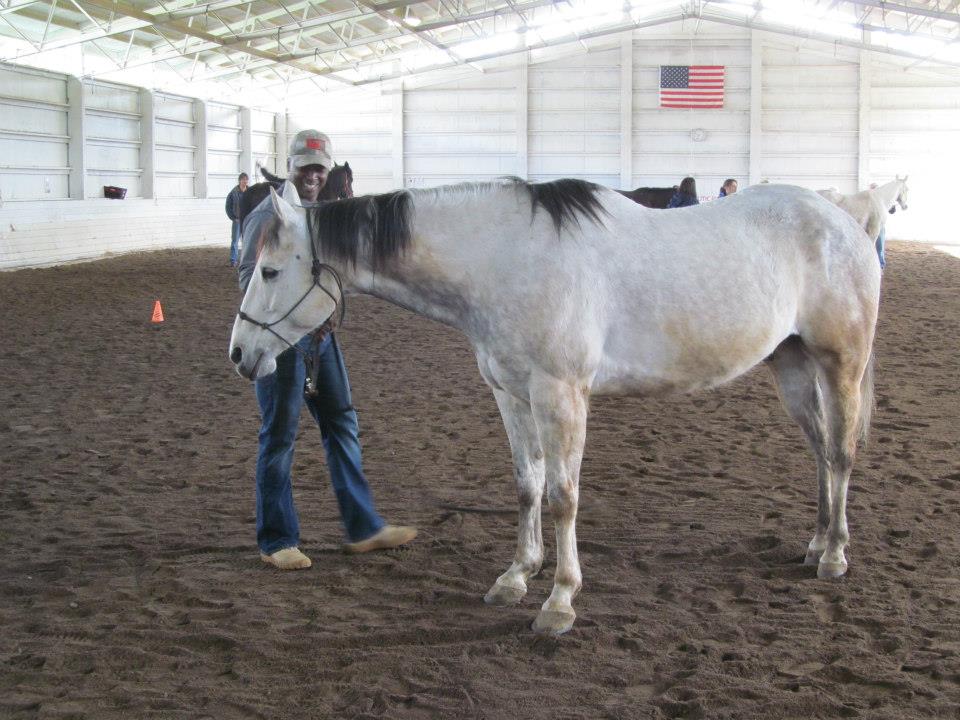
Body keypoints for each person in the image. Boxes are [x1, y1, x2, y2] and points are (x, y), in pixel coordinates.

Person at [237, 130, 417, 570]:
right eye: (305, 167)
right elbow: (249, 277)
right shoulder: (269, 215)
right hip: (282, 339)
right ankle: (277, 540)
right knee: (279, 436)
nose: (313, 176)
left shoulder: (326, 213)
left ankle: (363, 527)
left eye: (320, 168)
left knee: (342, 423)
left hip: (321, 338)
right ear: (291, 167)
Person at [225, 172, 249, 266]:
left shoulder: (250, 192)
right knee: (235, 240)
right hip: (238, 221)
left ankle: (245, 260)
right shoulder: (233, 193)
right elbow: (228, 207)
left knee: (247, 240)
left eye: (246, 180)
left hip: (247, 221)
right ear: (239, 181)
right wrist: (233, 218)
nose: (245, 182)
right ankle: (233, 260)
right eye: (243, 180)